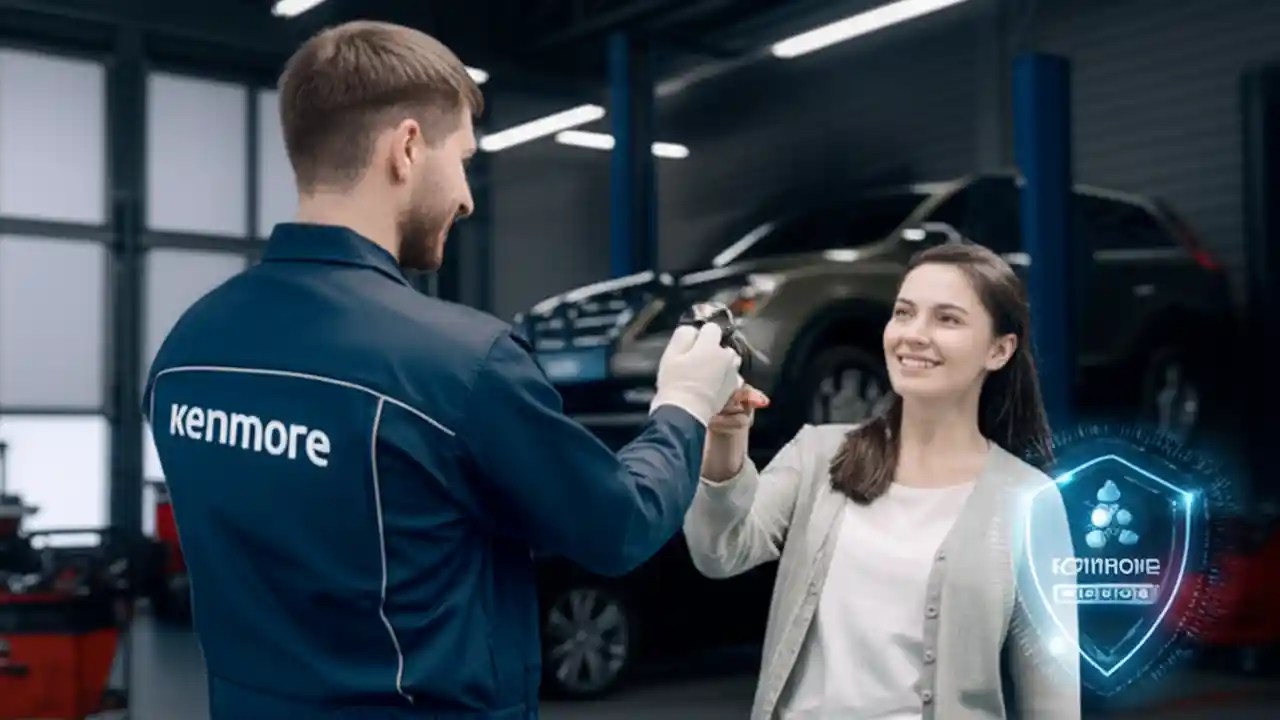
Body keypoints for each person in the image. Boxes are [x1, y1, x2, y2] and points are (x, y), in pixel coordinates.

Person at [141, 20, 743, 720]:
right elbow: (617, 526)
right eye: (461, 160)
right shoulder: (458, 363)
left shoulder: (186, 350)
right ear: (406, 148)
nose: (467, 198)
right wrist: (684, 406)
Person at [685, 241, 1081, 719]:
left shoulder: (1028, 500)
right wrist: (725, 438)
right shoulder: (818, 455)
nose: (914, 334)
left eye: (947, 319)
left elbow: (1053, 698)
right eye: (904, 313)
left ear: (999, 350)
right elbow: (719, 551)